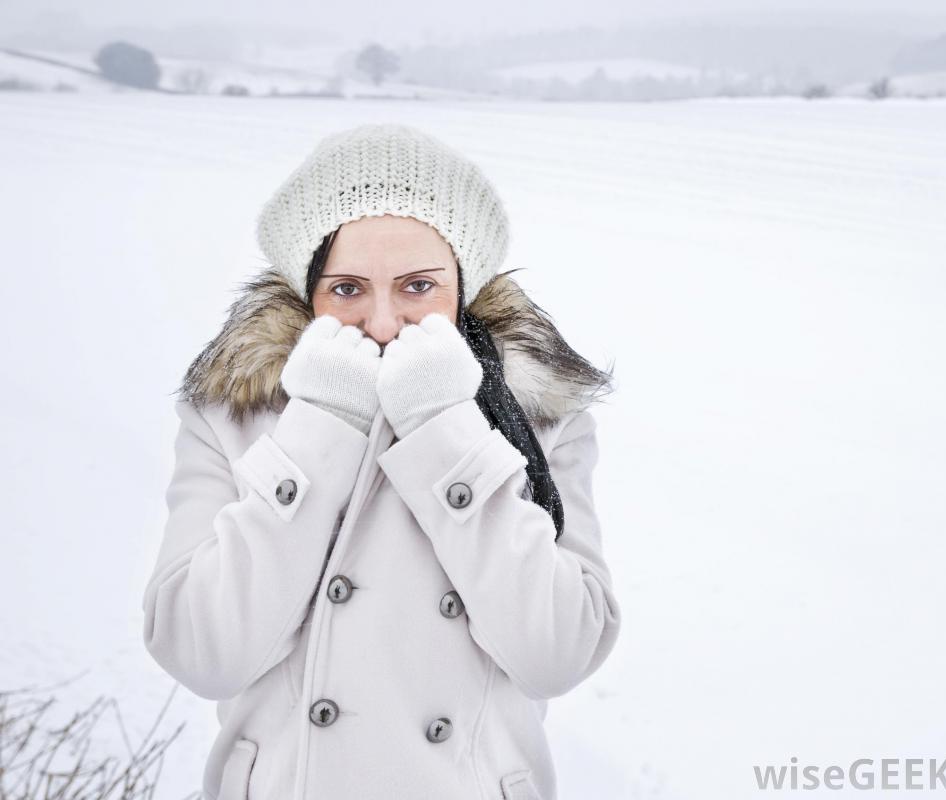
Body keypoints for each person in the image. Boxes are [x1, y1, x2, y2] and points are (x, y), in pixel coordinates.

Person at [142, 123, 621, 800]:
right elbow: (201, 654)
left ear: (464, 282)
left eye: (419, 286)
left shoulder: (542, 419)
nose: (384, 321)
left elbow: (557, 654)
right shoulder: (233, 413)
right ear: (307, 289)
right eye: (346, 289)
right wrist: (323, 426)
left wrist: (442, 427)